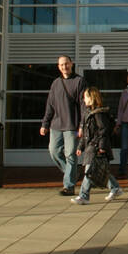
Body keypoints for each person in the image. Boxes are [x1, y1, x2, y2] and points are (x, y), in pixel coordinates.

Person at [40, 55, 86, 196]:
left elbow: (84, 105)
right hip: (56, 125)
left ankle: (69, 186)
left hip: (72, 125)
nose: (64, 67)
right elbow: (50, 105)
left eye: (66, 64)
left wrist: (82, 125)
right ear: (58, 67)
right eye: (61, 65)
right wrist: (45, 124)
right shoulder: (55, 83)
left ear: (71, 64)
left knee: (70, 155)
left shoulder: (79, 81)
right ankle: (71, 173)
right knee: (53, 151)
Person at [72, 86, 122, 205]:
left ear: (92, 98)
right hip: (90, 146)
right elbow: (85, 133)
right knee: (100, 170)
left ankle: (84, 196)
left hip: (95, 147)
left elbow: (103, 131)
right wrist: (80, 147)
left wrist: (101, 147)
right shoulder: (87, 113)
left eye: (86, 97)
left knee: (90, 171)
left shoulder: (99, 113)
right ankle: (115, 188)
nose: (84, 100)